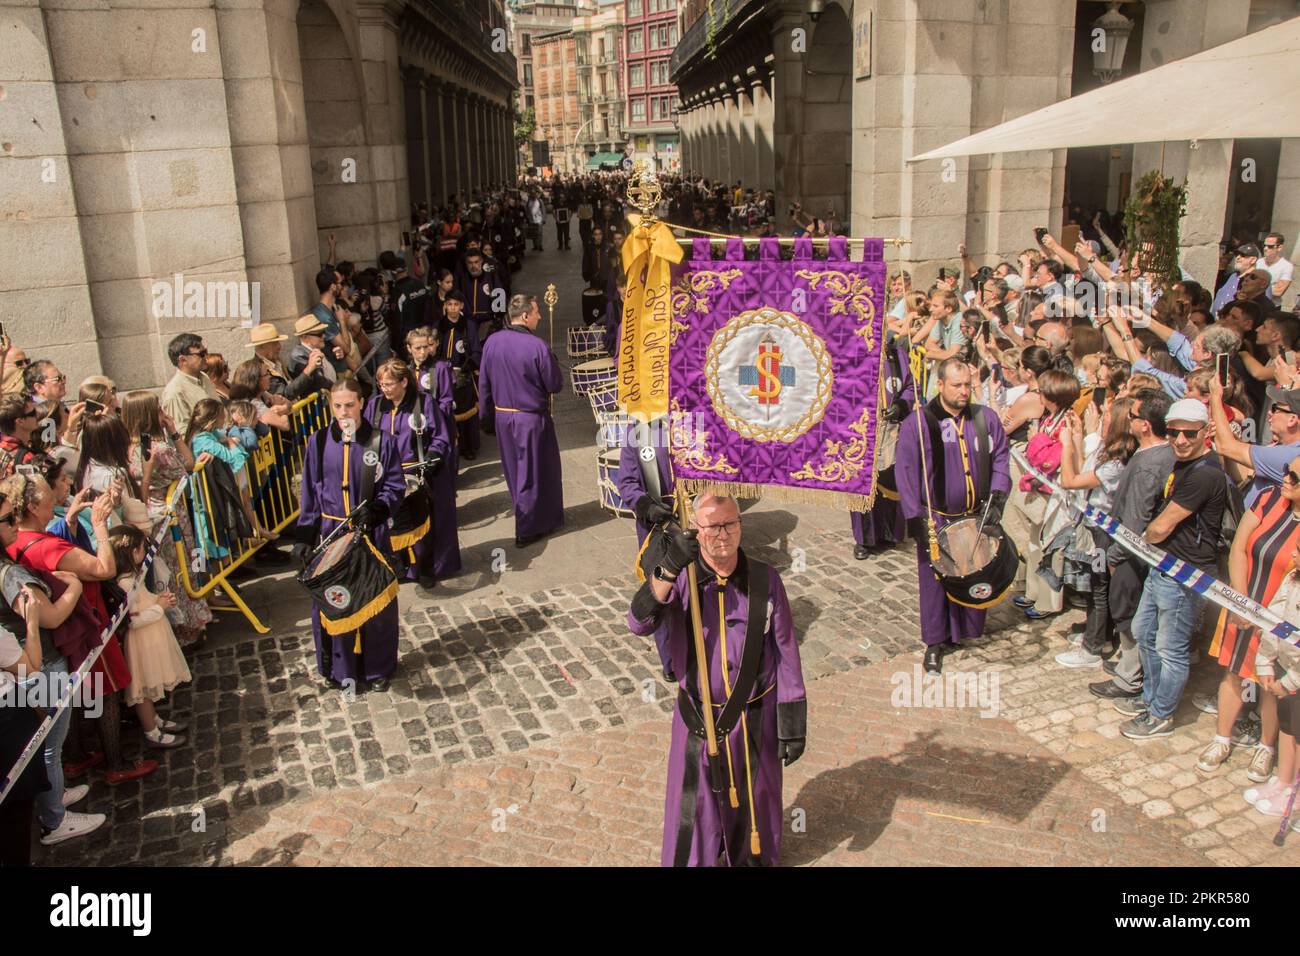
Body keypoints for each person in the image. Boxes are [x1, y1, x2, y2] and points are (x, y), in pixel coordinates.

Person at [626, 494, 806, 867]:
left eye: (731, 524)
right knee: (694, 816)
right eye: (712, 527)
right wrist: (669, 566)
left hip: (755, 719)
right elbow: (638, 622)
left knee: (756, 809)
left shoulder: (765, 580)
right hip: (697, 721)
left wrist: (792, 722)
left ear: (741, 525)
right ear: (697, 531)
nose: (723, 535)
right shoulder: (683, 577)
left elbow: (786, 650)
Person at [3, 474, 159, 787]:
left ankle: (76, 759)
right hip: (85, 630)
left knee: (73, 704)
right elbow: (105, 569)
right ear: (33, 506)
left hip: (65, 637)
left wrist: (71, 519)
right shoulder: (46, 547)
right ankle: (115, 764)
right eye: (50, 495)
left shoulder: (19, 541)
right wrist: (99, 525)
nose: (57, 500)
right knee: (106, 691)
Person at [0, 486, 103, 850]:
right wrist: (73, 587)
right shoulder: (8, 574)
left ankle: (54, 797)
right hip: (40, 665)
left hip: (33, 666)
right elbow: (49, 615)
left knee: (48, 745)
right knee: (49, 744)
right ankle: (54, 819)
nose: (15, 524)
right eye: (7, 519)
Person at [1120, 398, 1229, 740]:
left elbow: (1161, 527)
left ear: (1204, 432)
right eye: (1173, 432)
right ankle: (1151, 697)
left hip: (1185, 573)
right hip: (1163, 566)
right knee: (1144, 632)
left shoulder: (1205, 474)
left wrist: (1145, 534)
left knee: (1170, 647)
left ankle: (1161, 714)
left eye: (1189, 433)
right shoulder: (1181, 463)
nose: (1180, 440)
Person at [895, 358, 1012, 674]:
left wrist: (998, 498)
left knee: (972, 573)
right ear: (941, 385)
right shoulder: (918, 424)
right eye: (957, 385)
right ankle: (934, 642)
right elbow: (906, 473)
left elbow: (1000, 457)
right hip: (938, 519)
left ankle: (962, 631)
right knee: (935, 584)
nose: (964, 391)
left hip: (976, 517)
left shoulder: (985, 418)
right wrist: (914, 516)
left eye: (968, 385)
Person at [292, 380, 405, 692]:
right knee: (334, 600)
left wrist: (379, 510)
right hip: (331, 536)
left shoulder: (382, 442)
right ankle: (339, 668)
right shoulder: (316, 442)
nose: (344, 412)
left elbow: (395, 486)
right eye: (338, 406)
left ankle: (378, 668)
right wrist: (304, 535)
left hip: (369, 535)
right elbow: (310, 494)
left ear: (362, 403)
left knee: (375, 603)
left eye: (350, 405)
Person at [1196, 464, 1300, 782]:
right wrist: (1242, 602)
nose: (1285, 479)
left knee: (1270, 683)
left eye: (1294, 477)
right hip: (1246, 601)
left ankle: (1266, 747)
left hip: (1283, 617)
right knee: (1235, 672)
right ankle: (1222, 739)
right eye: (1286, 471)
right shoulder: (1268, 499)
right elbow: (1238, 548)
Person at [121, 390, 212, 646]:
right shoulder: (159, 449)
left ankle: (177, 625)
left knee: (162, 573)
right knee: (180, 571)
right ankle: (188, 625)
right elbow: (188, 464)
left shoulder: (125, 449)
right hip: (169, 517)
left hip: (147, 517)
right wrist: (174, 431)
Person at [1054, 398, 1137, 667]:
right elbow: (1082, 470)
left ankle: (1093, 648)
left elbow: (1071, 480)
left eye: (1106, 416)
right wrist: (1078, 437)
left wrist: (1065, 444)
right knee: (1095, 585)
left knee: (1100, 588)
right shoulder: (1107, 452)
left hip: (1104, 534)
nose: (1101, 418)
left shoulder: (1117, 464)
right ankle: (1101, 635)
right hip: (1093, 529)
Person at [479, 294, 564, 547]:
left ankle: (541, 518)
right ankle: (527, 527)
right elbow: (554, 384)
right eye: (536, 312)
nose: (539, 316)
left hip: (503, 416)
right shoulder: (537, 346)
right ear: (525, 316)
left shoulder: (492, 341)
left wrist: (486, 417)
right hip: (530, 418)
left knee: (515, 471)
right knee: (533, 472)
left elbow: (484, 382)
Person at [364, 359, 451, 588]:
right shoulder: (374, 406)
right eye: (381, 385)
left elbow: (440, 435)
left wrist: (434, 453)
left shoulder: (423, 403)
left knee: (421, 525)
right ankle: (399, 566)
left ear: (404, 381)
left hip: (415, 474)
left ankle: (425, 568)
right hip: (385, 477)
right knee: (392, 526)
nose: (385, 389)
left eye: (389, 384)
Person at [109, 526, 189, 750]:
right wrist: (159, 608)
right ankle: (151, 731)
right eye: (142, 548)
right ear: (133, 552)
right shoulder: (125, 584)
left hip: (151, 637)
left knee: (151, 682)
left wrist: (158, 599)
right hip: (141, 640)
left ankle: (154, 719)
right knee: (143, 689)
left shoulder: (133, 576)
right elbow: (133, 619)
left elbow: (145, 598)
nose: (144, 552)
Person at [1249, 543, 1300, 820]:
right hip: (1285, 667)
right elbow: (1273, 619)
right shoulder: (1292, 578)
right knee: (1288, 727)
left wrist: (1290, 682)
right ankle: (1284, 780)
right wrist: (1264, 661)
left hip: (1296, 676)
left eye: (1299, 551)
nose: (1293, 555)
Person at [185, 399, 277, 543]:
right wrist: (230, 442)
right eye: (223, 415)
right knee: (211, 530)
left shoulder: (212, 433)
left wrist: (226, 441)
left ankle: (247, 537)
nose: (225, 418)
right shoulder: (203, 440)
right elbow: (236, 458)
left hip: (217, 491)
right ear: (213, 418)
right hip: (207, 496)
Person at [436, 291, 481, 461]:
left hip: (463, 374)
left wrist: (470, 363)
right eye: (449, 305)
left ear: (461, 306)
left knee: (467, 411)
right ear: (445, 306)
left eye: (456, 304)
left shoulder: (468, 325)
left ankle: (468, 447)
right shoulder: (438, 326)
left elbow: (476, 349)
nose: (453, 308)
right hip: (443, 375)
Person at [160, 333, 220, 431]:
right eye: (201, 354)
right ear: (183, 360)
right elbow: (182, 434)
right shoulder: (175, 392)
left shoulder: (203, 377)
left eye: (206, 351)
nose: (206, 356)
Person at [0, 393, 42, 480]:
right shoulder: (26, 459)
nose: (38, 414)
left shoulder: (2, 449)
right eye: (33, 413)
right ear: (20, 421)